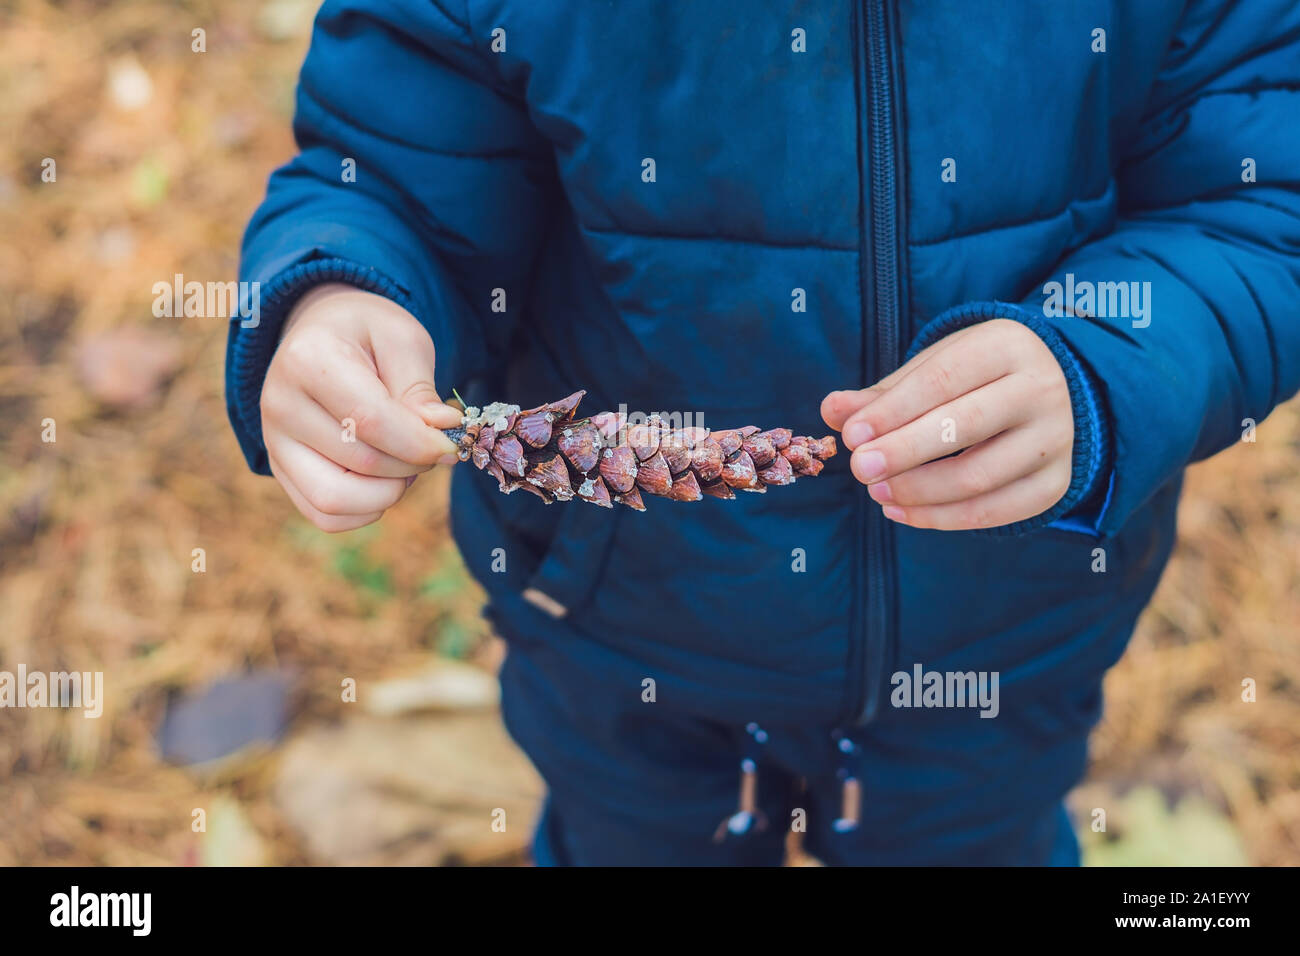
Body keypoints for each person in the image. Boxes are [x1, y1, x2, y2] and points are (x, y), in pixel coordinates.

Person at [225, 0, 1300, 864]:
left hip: (997, 649)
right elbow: (396, 180)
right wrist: (348, 293)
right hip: (622, 637)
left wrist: (1106, 363)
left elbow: (1258, 204)